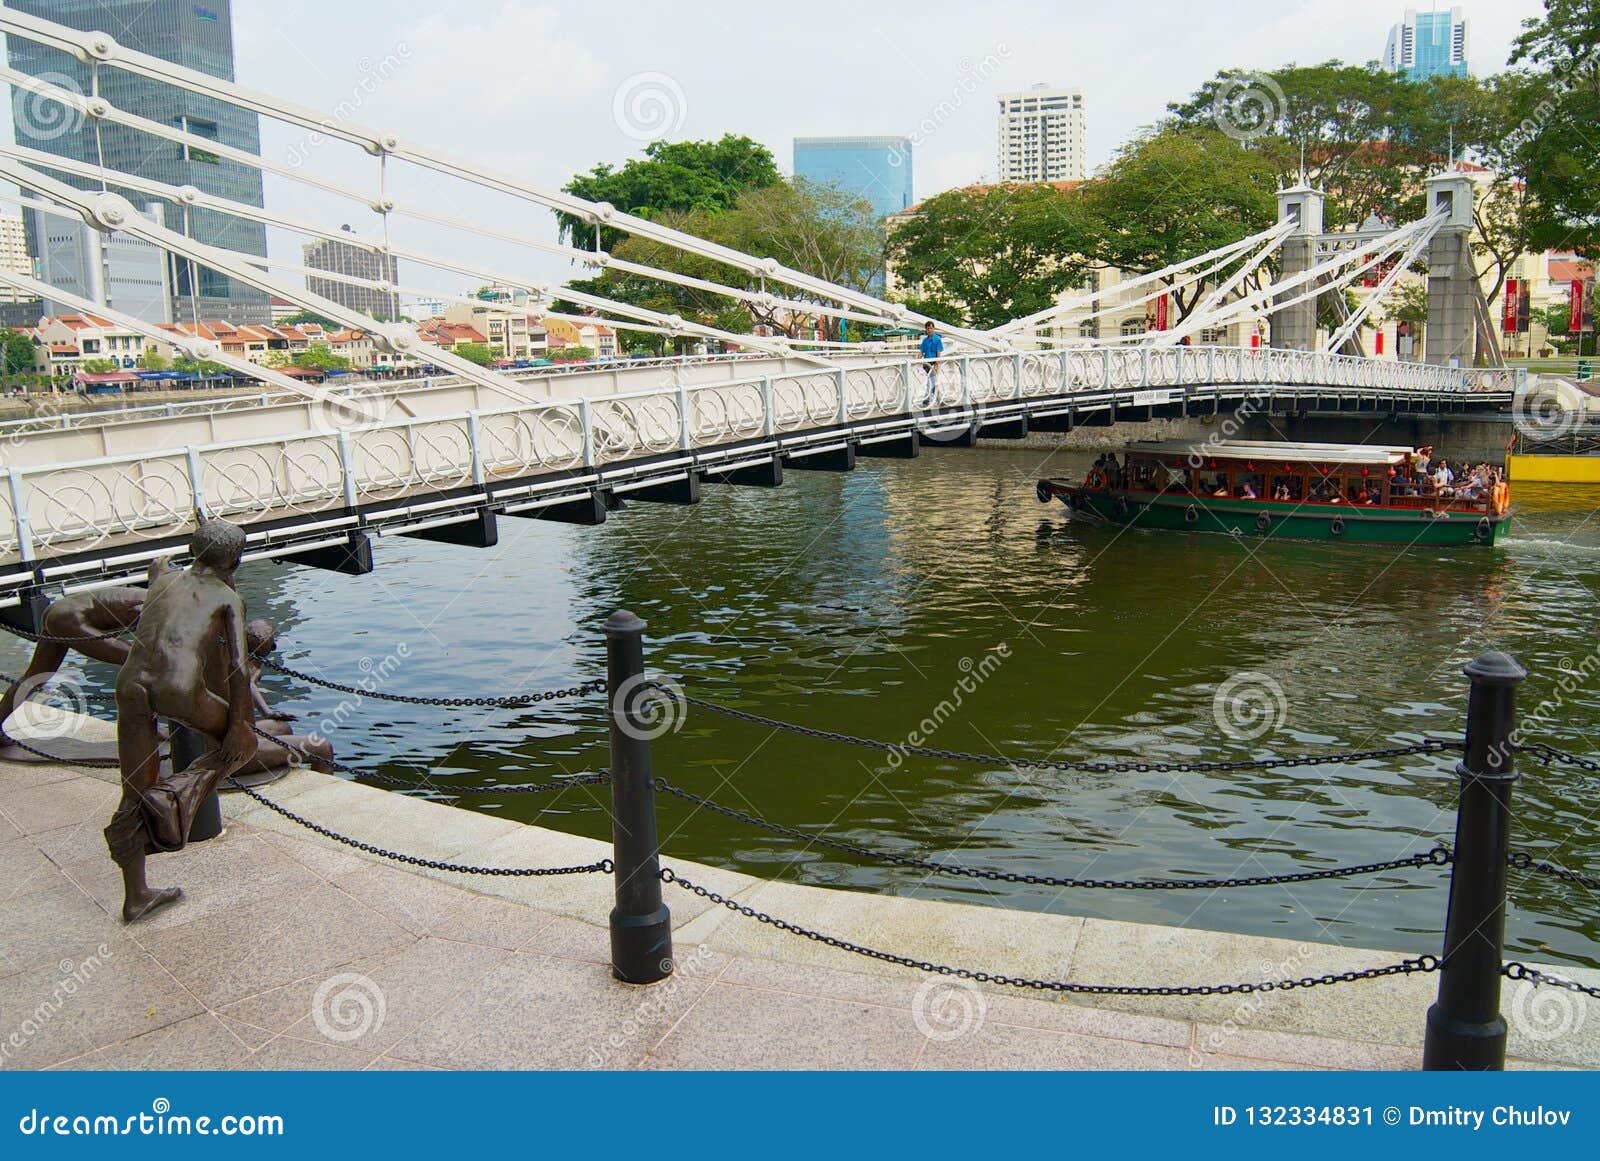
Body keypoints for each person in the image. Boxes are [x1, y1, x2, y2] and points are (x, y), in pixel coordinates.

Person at [106, 521, 265, 922]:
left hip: (129, 685)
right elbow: (238, 668)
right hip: (176, 689)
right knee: (241, 745)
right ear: (235, 558)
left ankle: (136, 895)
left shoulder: (164, 580)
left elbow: (160, 575)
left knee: (133, 789)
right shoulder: (228, 596)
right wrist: (240, 724)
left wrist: (160, 566)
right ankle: (171, 797)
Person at [0, 585, 146, 739]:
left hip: (59, 610)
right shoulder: (165, 607)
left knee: (35, 676)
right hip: (69, 618)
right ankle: (146, 730)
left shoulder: (158, 597)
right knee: (142, 663)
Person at [918, 321, 943, 403]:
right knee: (931, 381)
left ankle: (927, 399)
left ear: (934, 329)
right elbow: (921, 351)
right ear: (926, 329)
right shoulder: (925, 340)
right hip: (927, 363)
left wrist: (937, 363)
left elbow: (938, 352)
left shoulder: (937, 339)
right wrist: (917, 360)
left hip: (933, 363)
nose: (929, 330)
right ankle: (938, 399)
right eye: (928, 328)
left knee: (931, 381)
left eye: (931, 328)